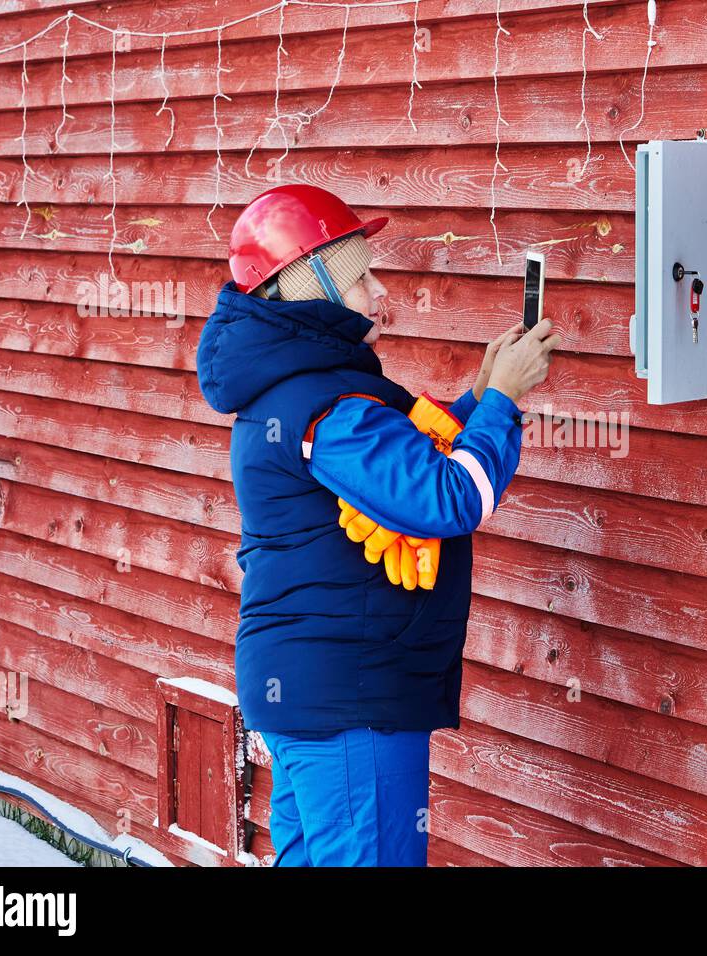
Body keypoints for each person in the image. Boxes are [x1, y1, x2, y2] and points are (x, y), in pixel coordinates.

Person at [196, 184, 560, 866]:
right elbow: (451, 498)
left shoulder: (294, 387)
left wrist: (480, 396)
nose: (377, 288)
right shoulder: (327, 405)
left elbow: (395, 463)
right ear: (312, 283)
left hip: (310, 690)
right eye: (361, 275)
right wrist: (506, 401)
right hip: (349, 700)